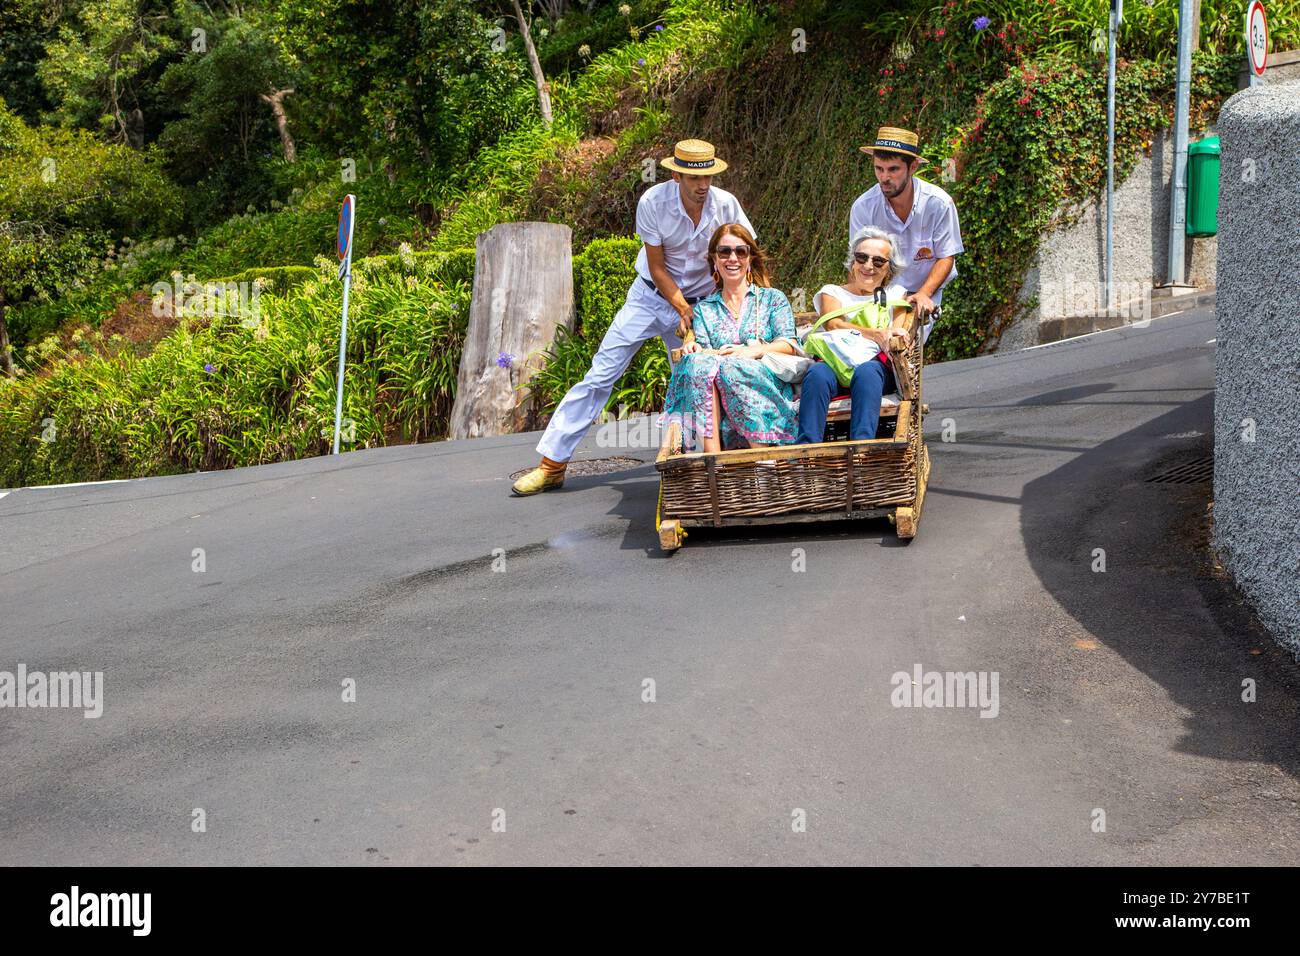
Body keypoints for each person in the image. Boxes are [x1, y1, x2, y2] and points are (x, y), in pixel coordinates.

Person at [511, 139, 755, 495]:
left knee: (700, 380)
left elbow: (744, 257)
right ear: (676, 175)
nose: (703, 186)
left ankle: (696, 467)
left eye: (709, 178)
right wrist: (681, 307)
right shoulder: (653, 202)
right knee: (601, 374)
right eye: (693, 179)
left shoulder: (726, 205)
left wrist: (736, 306)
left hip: (700, 304)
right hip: (650, 298)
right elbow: (657, 267)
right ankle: (552, 464)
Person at [661, 224, 799, 452]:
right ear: (714, 260)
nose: (732, 258)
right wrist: (695, 347)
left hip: (764, 382)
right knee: (697, 363)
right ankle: (712, 457)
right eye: (724, 252)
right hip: (719, 392)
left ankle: (763, 456)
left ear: (750, 259)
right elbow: (704, 365)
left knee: (734, 367)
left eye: (740, 251)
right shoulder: (705, 310)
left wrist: (751, 352)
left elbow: (790, 344)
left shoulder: (772, 299)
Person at [796, 227, 913, 444]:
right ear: (853, 261)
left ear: (888, 269)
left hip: (875, 371)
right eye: (862, 258)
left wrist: (896, 330)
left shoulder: (895, 295)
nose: (868, 266)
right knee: (817, 375)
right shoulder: (832, 291)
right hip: (836, 363)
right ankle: (805, 451)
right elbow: (833, 324)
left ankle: (861, 448)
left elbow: (897, 332)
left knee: (867, 372)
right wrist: (876, 333)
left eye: (878, 261)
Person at [849, 126, 963, 316]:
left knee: (911, 337)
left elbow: (946, 256)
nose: (884, 178)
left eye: (893, 169)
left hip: (927, 290)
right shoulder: (863, 207)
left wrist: (924, 294)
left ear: (913, 167)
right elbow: (858, 261)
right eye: (879, 169)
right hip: (881, 293)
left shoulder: (939, 203)